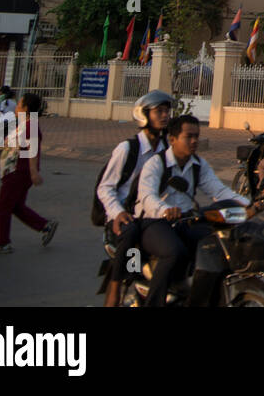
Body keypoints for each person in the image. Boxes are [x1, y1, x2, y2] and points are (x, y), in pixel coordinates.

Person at [135, 114, 248, 307]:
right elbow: (147, 196)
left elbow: (218, 190)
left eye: (197, 136)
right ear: (173, 139)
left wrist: (247, 204)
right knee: (173, 251)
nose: (194, 141)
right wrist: (165, 210)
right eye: (189, 136)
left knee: (217, 245)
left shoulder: (198, 164)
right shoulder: (156, 163)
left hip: (186, 220)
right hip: (153, 222)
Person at [96, 90, 172, 306]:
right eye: (159, 111)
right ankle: (115, 287)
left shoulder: (167, 149)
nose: (165, 115)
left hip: (151, 212)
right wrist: (117, 212)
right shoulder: (127, 149)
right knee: (131, 233)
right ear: (144, 114)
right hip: (123, 214)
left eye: (167, 111)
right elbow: (105, 187)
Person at [0, 93, 58, 254]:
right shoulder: (24, 124)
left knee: (4, 206)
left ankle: (3, 243)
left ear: (25, 108)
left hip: (18, 172)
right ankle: (45, 226)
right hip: (15, 171)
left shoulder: (30, 125)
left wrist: (33, 172)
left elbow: (32, 150)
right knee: (16, 206)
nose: (16, 106)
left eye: (19, 104)